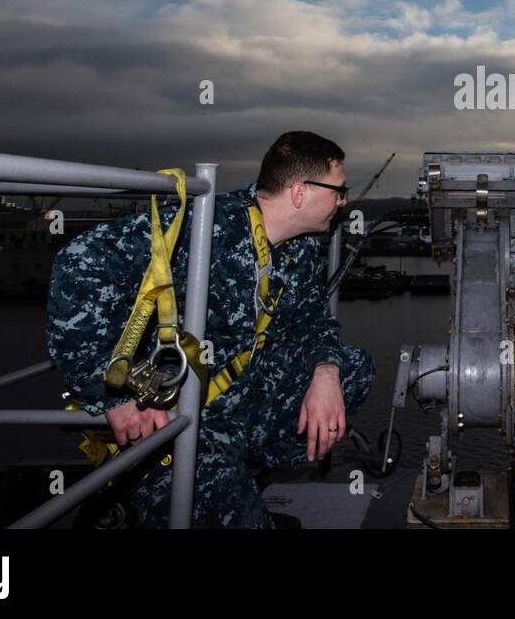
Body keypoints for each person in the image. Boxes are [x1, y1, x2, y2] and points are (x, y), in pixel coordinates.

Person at [47, 130, 374, 527]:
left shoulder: (299, 247)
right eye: (338, 191)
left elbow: (312, 321)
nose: (343, 202)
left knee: (355, 367)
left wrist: (326, 372)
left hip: (238, 402)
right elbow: (78, 265)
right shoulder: (205, 227)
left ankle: (241, 467)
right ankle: (184, 491)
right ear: (300, 191)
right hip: (170, 420)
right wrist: (114, 396)